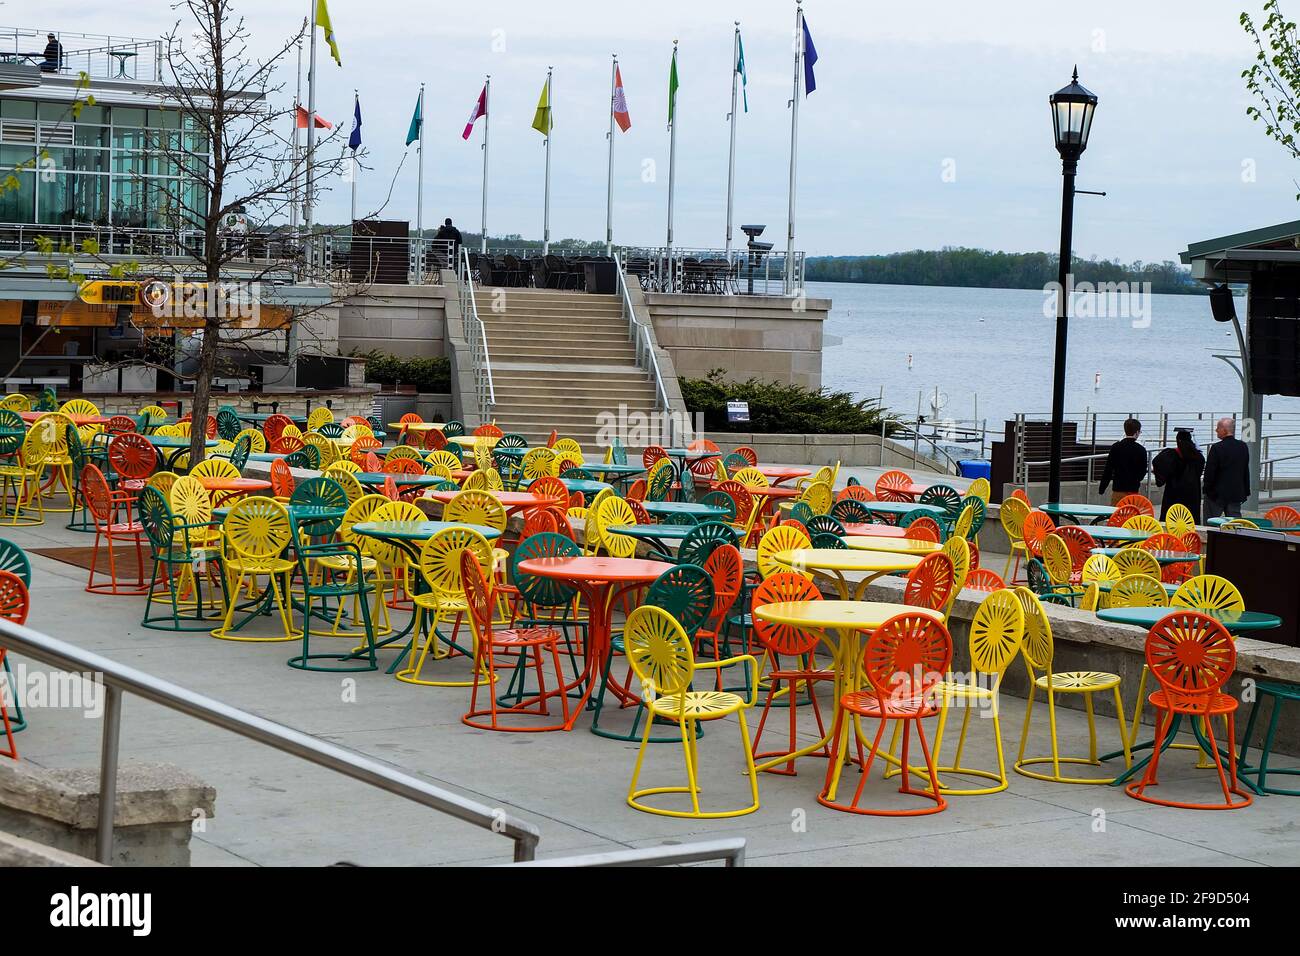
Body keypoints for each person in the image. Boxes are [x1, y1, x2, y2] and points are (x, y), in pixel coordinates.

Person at [1151, 428, 1204, 523]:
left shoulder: (1170, 455)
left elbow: (1157, 462)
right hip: (1192, 495)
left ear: (1178, 440)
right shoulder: (1199, 457)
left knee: (1172, 520)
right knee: (1189, 520)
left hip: (1173, 494)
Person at [1203, 416, 1251, 520]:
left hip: (1216, 495)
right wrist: (1246, 490)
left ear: (1224, 430)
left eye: (1218, 428)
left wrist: (1206, 490)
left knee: (1211, 522)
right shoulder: (1243, 446)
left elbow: (1209, 473)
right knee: (1235, 524)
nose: (1216, 430)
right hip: (1235, 493)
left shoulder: (1217, 448)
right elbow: (1245, 471)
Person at [1098, 417, 1147, 505]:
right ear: (1136, 433)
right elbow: (1142, 472)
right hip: (1133, 491)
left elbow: (1108, 469)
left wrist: (1102, 488)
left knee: (1116, 515)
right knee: (1131, 515)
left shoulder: (1116, 447)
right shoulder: (1141, 450)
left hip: (1118, 490)